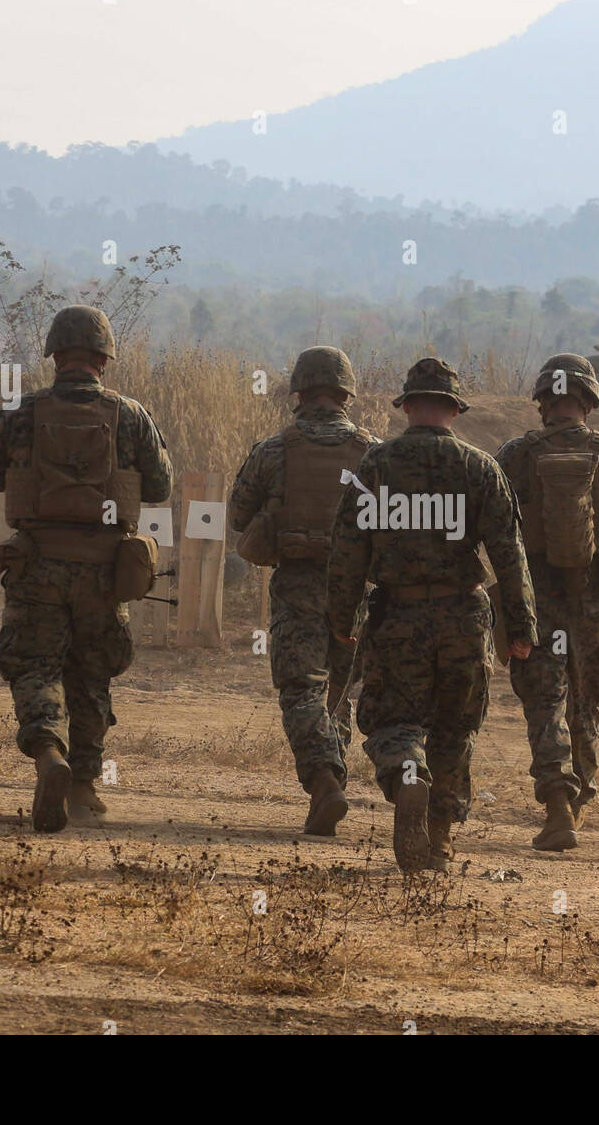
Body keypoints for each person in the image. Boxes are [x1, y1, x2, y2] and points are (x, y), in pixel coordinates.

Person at [328, 357, 537, 872]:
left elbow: (348, 548)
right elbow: (509, 551)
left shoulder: (375, 466)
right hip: (463, 617)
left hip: (396, 615)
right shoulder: (480, 467)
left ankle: (405, 771)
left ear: (407, 407)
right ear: (452, 409)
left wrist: (343, 618)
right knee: (455, 727)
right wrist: (523, 624)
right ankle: (439, 841)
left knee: (393, 718)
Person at [0, 305, 172, 832]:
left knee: (33, 665)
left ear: (55, 355)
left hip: (37, 565)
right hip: (104, 572)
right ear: (105, 358)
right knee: (91, 674)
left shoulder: (21, 409)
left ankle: (48, 754)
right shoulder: (130, 414)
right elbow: (160, 487)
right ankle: (83, 787)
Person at [495, 353, 599, 851]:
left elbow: (496, 526)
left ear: (543, 401)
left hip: (536, 599)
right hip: (596, 602)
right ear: (589, 401)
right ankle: (579, 796)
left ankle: (557, 801)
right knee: (585, 702)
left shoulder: (515, 455)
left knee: (544, 702)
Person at [228, 346, 378, 836]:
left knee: (301, 686)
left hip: (297, 583)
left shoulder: (275, 449)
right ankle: (330, 779)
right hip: (353, 589)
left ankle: (324, 780)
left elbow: (237, 517)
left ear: (299, 392)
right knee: (338, 688)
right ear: (346, 393)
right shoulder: (372, 452)